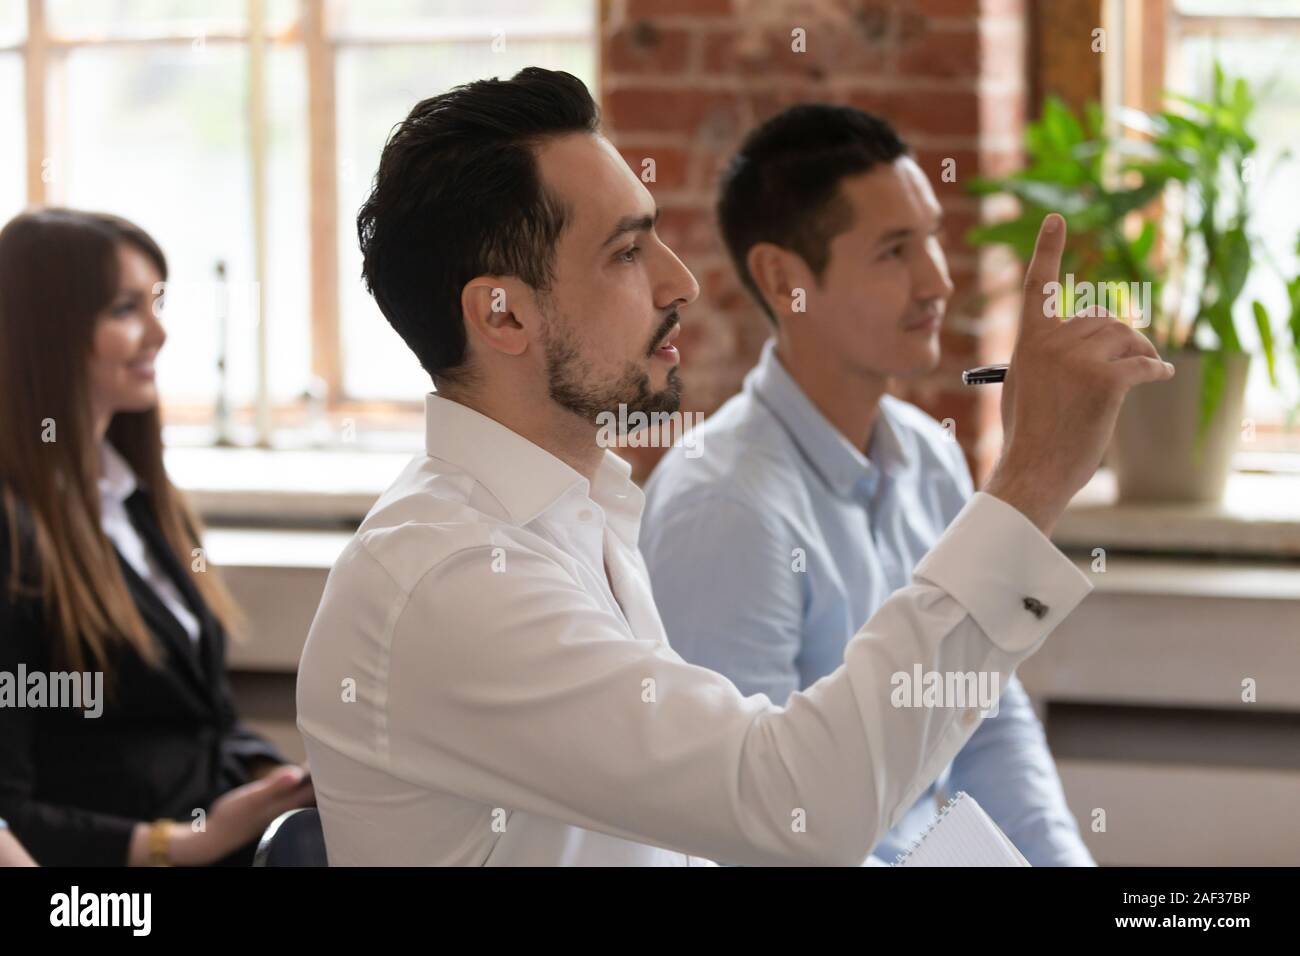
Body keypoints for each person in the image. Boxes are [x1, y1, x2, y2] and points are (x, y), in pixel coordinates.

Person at [296, 67, 1173, 866]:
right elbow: (794, 808)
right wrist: (1030, 482)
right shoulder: (454, 580)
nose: (681, 283)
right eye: (628, 252)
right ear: (504, 316)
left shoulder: (577, 514)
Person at [641, 105, 1093, 865]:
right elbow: (748, 833)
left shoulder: (929, 456)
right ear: (785, 280)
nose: (938, 281)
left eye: (933, 240)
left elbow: (987, 718)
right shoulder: (723, 508)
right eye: (893, 251)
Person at [0, 208, 314, 866]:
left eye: (157, 304)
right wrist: (182, 844)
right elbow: (12, 812)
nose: (160, 334)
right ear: (45, 332)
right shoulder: (14, 536)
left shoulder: (137, 501)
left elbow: (206, 722)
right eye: (125, 309)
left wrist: (274, 781)